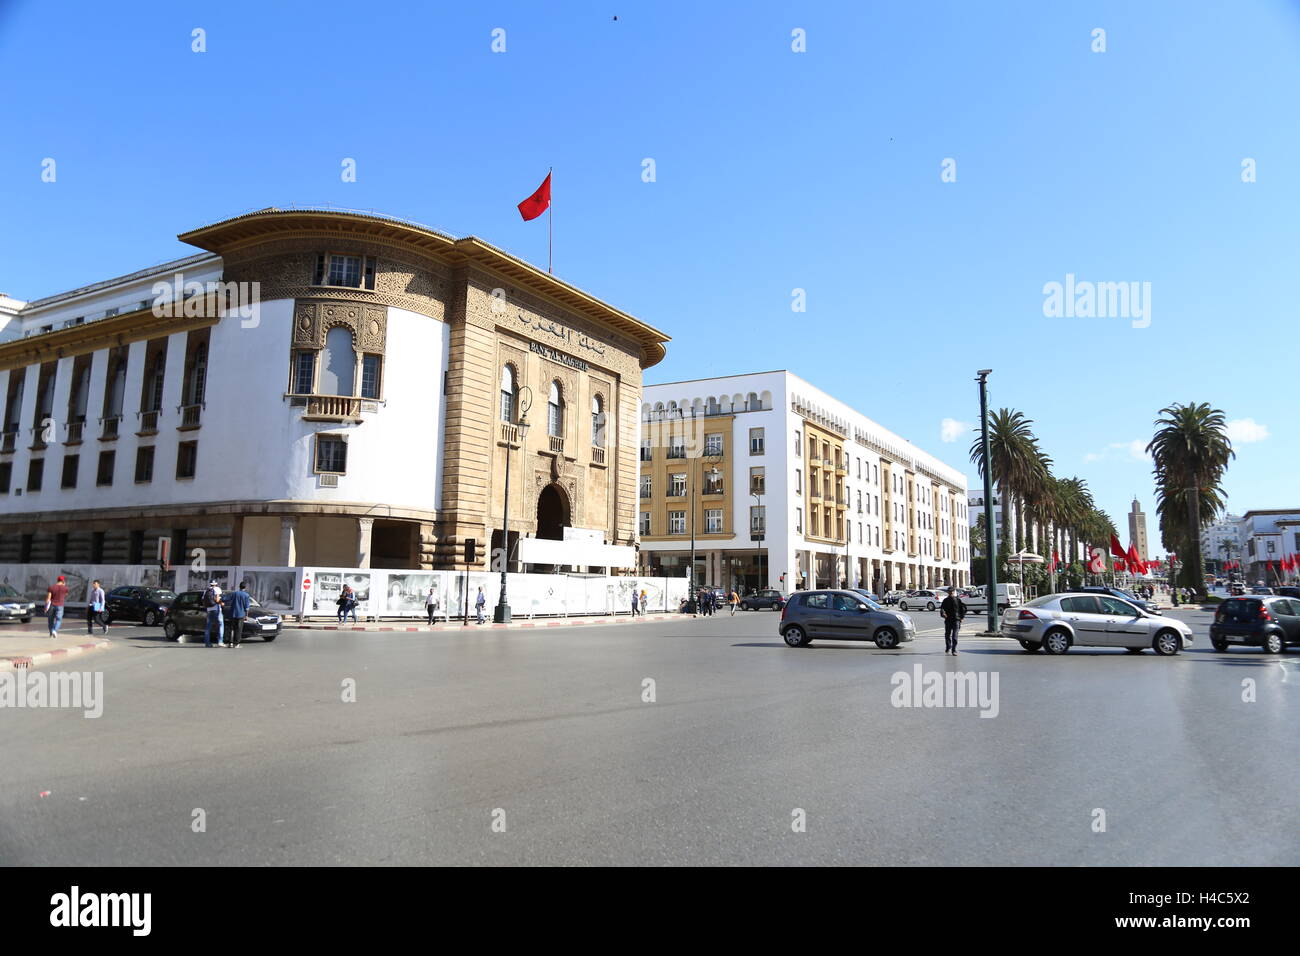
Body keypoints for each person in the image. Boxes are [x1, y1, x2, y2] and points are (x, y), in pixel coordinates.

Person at [939, 587, 966, 656]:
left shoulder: (957, 600)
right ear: (948, 592)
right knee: (947, 634)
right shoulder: (945, 600)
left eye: (952, 591)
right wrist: (943, 614)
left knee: (955, 635)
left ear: (954, 592)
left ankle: (954, 650)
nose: (951, 593)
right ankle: (948, 646)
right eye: (949, 592)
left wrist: (962, 617)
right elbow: (942, 609)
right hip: (948, 619)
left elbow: (962, 609)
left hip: (956, 619)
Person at [228, 580, 252, 648]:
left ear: (239, 587)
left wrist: (220, 600)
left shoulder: (235, 593)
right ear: (245, 587)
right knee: (238, 629)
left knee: (231, 629)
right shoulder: (246, 595)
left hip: (232, 614)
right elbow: (247, 607)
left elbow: (228, 598)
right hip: (241, 615)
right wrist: (246, 615)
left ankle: (230, 643)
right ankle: (236, 644)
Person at [203, 580, 225, 647]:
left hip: (209, 610)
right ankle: (220, 642)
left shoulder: (206, 590)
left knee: (208, 626)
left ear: (210, 584)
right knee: (221, 625)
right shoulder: (217, 589)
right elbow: (217, 599)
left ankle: (207, 643)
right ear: (216, 584)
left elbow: (203, 600)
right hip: (216, 609)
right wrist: (222, 603)